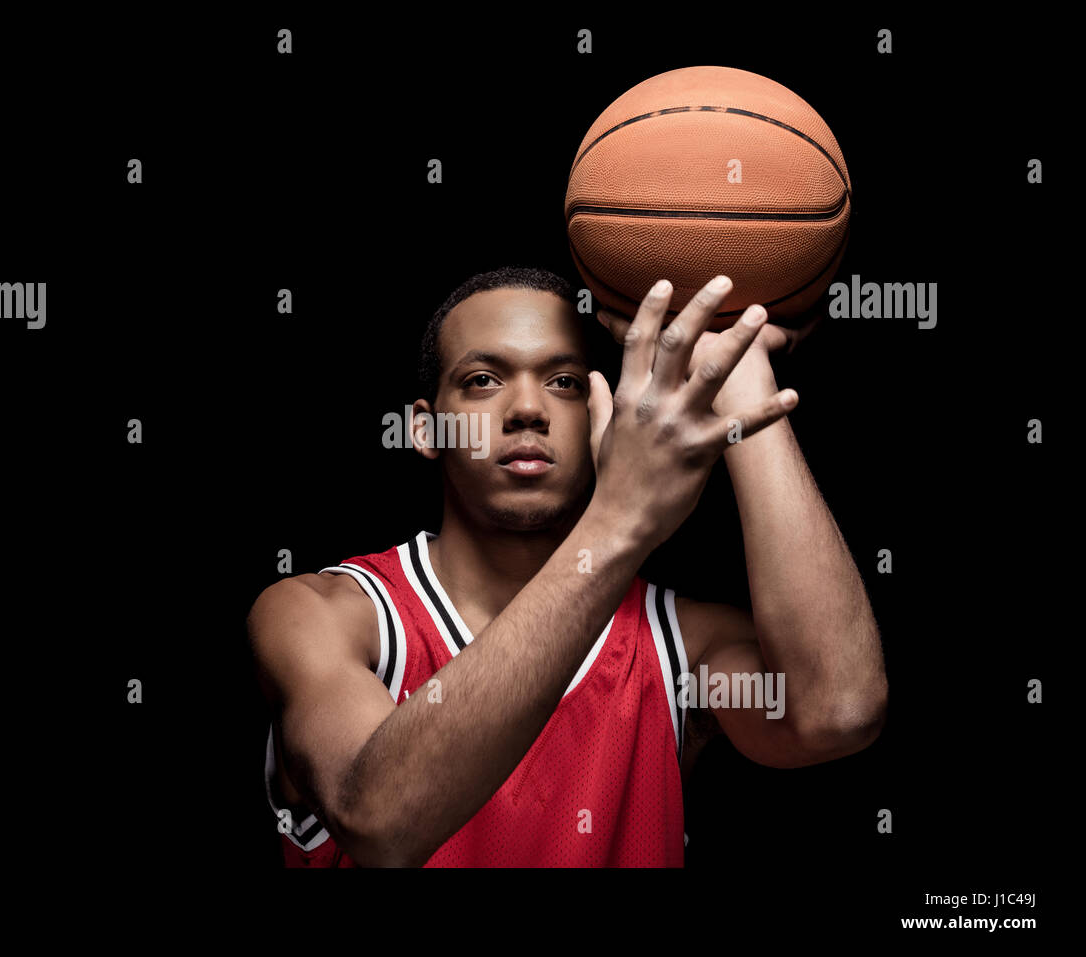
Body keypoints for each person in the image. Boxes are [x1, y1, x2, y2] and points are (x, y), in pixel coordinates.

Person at [248, 266, 887, 867]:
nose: (528, 409)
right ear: (424, 428)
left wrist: (743, 376)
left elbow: (838, 711)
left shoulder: (676, 647)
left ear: (600, 416)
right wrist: (619, 523)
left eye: (565, 383)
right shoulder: (326, 615)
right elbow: (380, 821)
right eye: (482, 380)